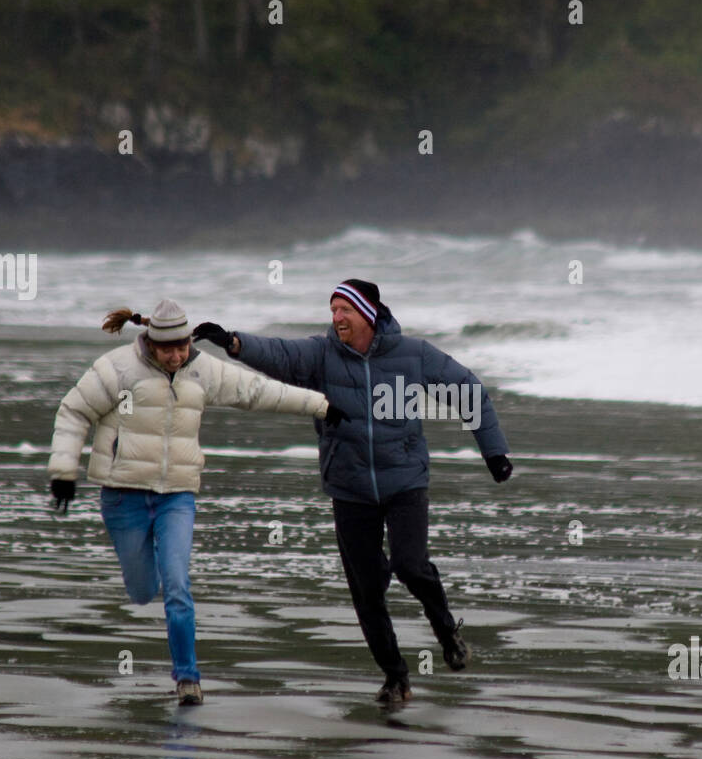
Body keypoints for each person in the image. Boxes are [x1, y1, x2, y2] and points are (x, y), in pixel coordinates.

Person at [193, 279, 512, 705]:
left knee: (411, 565)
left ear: (369, 313)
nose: (336, 318)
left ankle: (445, 628)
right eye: (333, 310)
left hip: (404, 481)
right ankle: (395, 677)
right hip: (350, 486)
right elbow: (278, 354)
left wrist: (493, 453)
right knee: (366, 587)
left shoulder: (413, 354)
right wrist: (233, 343)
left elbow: (468, 390)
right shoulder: (321, 354)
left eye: (344, 310)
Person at [47, 299, 346, 706]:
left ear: (190, 341)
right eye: (166, 348)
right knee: (140, 590)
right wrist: (63, 471)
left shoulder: (202, 370)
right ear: (149, 342)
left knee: (177, 587)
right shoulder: (117, 369)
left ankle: (188, 678)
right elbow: (74, 411)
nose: (175, 356)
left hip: (177, 497)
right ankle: (145, 586)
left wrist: (321, 404)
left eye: (182, 346)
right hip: (123, 494)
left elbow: (257, 391)